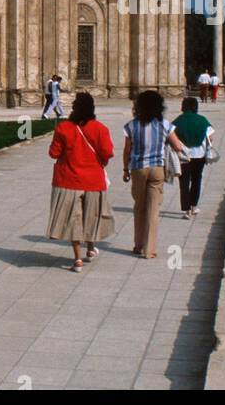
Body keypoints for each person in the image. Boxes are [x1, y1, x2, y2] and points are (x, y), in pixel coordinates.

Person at [47, 91, 115, 272]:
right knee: (91, 216)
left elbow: (53, 153)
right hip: (93, 181)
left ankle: (77, 259)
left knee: (73, 220)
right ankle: (91, 249)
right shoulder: (101, 128)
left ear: (74, 108)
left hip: (68, 180)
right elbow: (107, 153)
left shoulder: (63, 128)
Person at [123, 90, 187, 259]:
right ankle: (149, 249)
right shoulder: (165, 125)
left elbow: (127, 150)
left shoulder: (131, 125)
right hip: (157, 168)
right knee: (153, 209)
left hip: (138, 168)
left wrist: (125, 169)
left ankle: (138, 245)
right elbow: (178, 147)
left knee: (139, 206)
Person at [172, 97, 214, 218]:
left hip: (183, 157)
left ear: (183, 107)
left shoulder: (177, 121)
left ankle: (186, 210)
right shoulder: (202, 120)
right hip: (199, 155)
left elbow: (171, 137)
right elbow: (210, 137)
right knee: (196, 180)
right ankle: (194, 206)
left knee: (184, 182)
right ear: (196, 107)